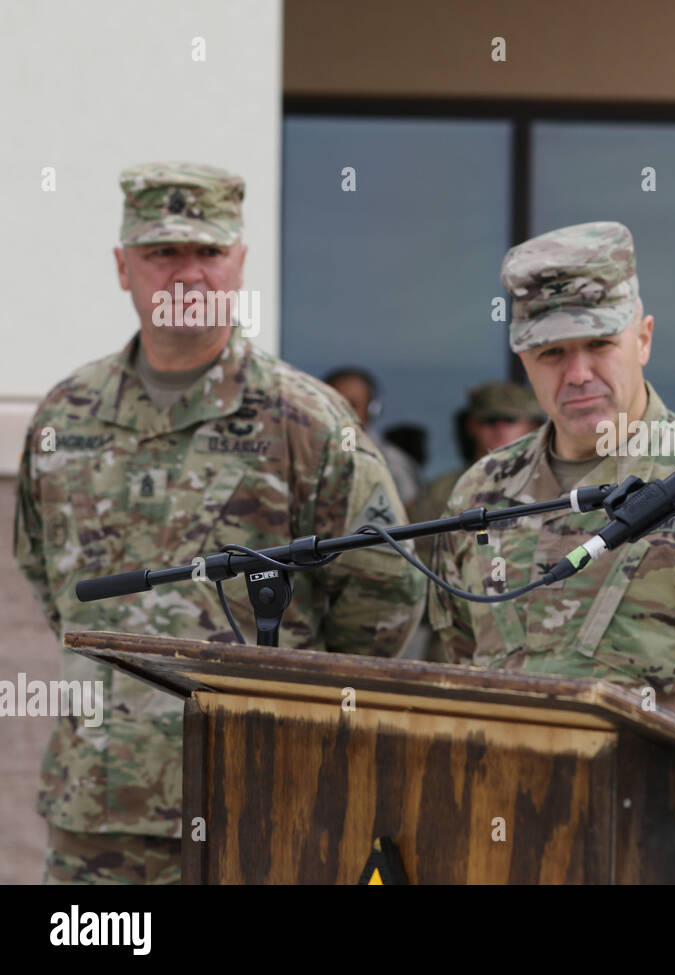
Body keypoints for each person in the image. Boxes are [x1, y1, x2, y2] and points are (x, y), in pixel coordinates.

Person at [13, 161, 427, 884]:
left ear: (240, 263)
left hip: (262, 807)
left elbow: (382, 602)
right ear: (123, 268)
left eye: (209, 252)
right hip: (101, 816)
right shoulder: (64, 416)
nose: (187, 274)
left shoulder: (306, 420)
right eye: (162, 253)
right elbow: (51, 579)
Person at [427, 221, 675, 719]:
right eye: (552, 353)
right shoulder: (480, 493)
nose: (579, 374)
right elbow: (458, 659)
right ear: (524, 360)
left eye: (601, 345)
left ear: (643, 339)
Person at [408, 381, 544, 562]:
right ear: (472, 426)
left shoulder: (555, 485)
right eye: (490, 421)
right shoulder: (441, 492)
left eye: (511, 420)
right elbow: (419, 557)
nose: (500, 429)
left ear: (533, 426)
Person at [324, 366, 423, 507]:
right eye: (335, 403)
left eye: (352, 405)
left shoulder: (392, 462)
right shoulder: (307, 454)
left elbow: (411, 513)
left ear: (371, 410)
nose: (343, 412)